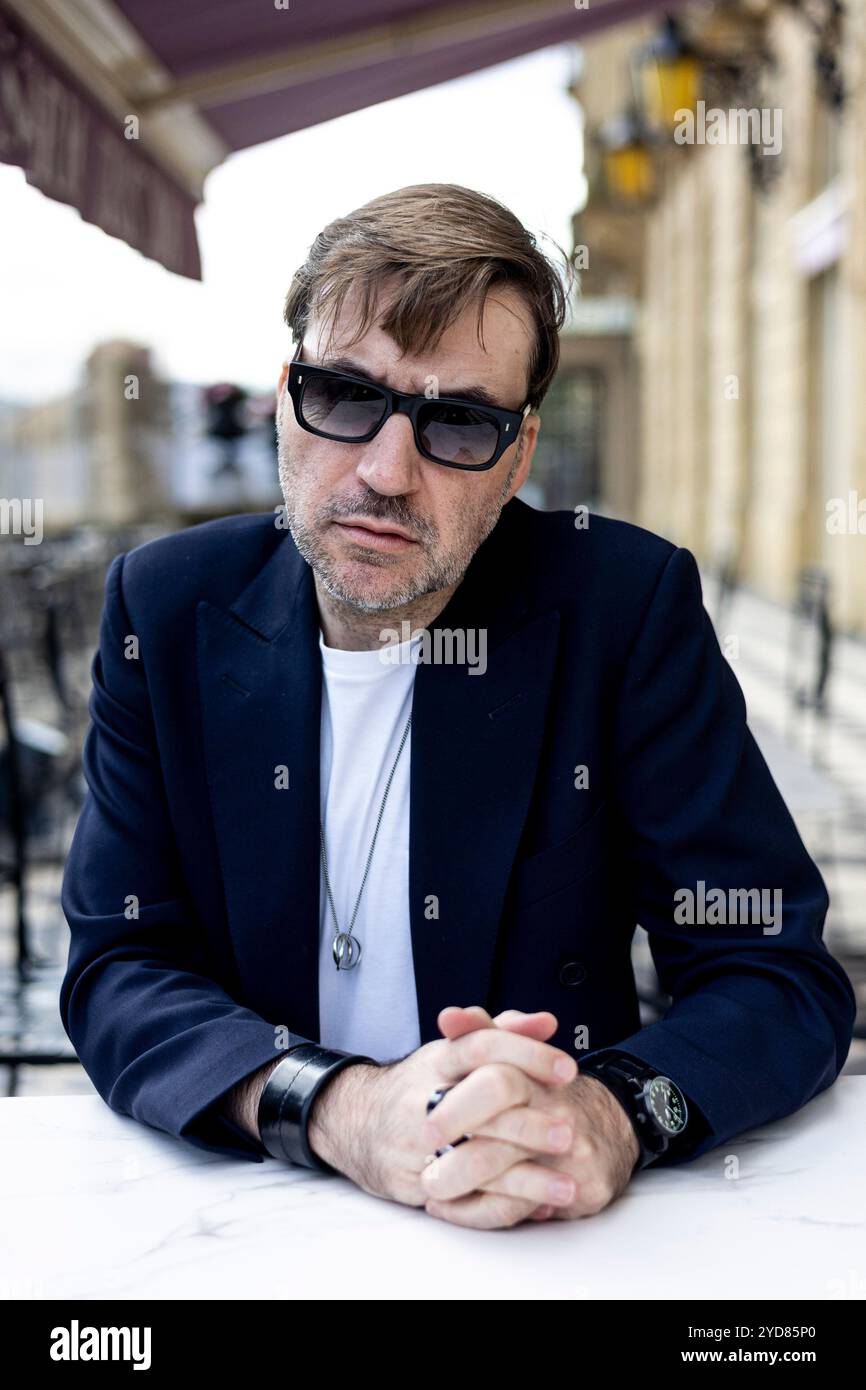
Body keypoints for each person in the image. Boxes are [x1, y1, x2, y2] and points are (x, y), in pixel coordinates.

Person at [60, 183, 855, 1232]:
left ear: (518, 456)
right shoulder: (163, 608)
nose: (386, 472)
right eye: (345, 398)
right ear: (287, 395)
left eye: (458, 425)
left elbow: (771, 967)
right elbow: (121, 960)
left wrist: (614, 1114)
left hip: (548, 1226)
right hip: (252, 1213)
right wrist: (334, 1106)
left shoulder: (620, 608)